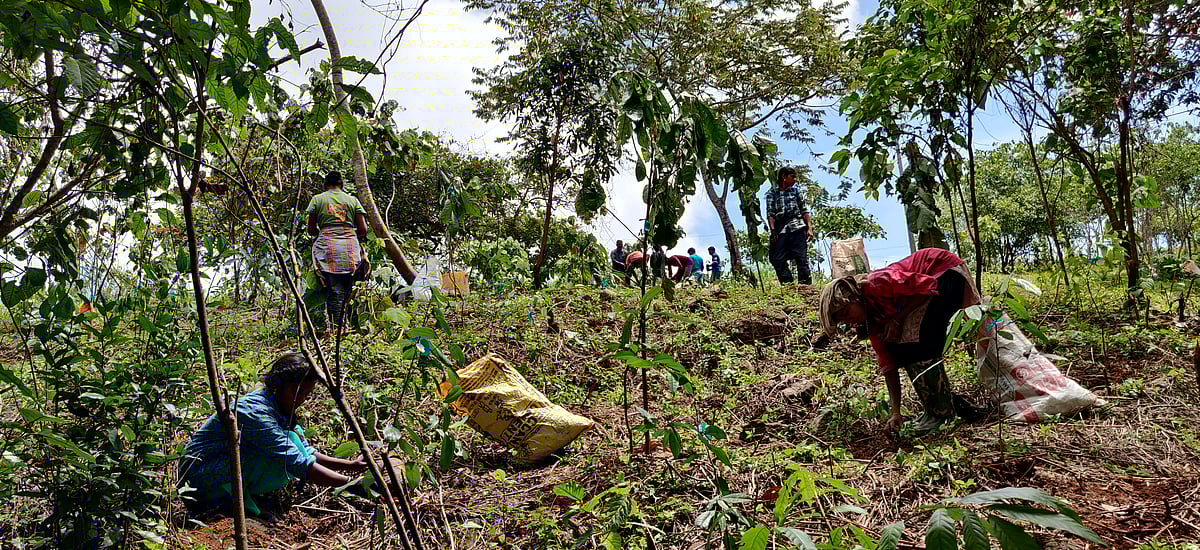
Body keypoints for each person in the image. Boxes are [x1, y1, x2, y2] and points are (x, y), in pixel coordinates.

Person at [178, 353, 370, 517]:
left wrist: (350, 466)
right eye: (297, 392)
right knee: (286, 446)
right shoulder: (255, 412)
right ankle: (221, 502)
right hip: (198, 477)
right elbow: (296, 462)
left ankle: (236, 499)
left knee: (292, 438)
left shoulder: (278, 405)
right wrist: (353, 485)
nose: (301, 399)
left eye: (306, 394)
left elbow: (304, 450)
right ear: (279, 386)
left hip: (217, 467)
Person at [818, 248, 981, 436]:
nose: (849, 320)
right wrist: (896, 412)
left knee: (917, 337)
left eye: (847, 313)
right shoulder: (873, 323)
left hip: (944, 270)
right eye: (842, 320)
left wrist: (898, 319)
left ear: (854, 298)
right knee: (897, 346)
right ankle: (945, 408)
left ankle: (941, 414)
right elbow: (888, 364)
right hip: (932, 285)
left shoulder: (877, 283)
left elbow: (929, 285)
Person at [306, 171, 369, 334]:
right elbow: (363, 229)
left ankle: (337, 328)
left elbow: (311, 230)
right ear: (342, 185)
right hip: (350, 248)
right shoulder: (352, 200)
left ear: (325, 185)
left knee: (334, 288)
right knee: (349, 289)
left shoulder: (318, 199)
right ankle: (350, 327)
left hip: (327, 248)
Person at [765, 166, 814, 285]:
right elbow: (770, 214)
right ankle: (788, 285)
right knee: (777, 258)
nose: (795, 180)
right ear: (784, 177)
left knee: (801, 257)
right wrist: (773, 231)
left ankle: (805, 287)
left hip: (797, 226)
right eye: (792, 177)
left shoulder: (795, 191)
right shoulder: (772, 193)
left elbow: (804, 210)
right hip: (781, 228)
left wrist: (809, 228)